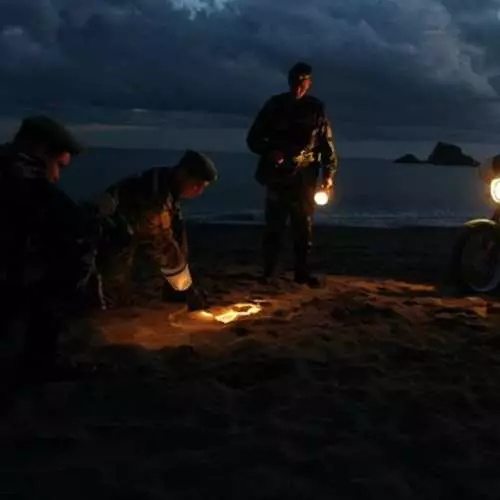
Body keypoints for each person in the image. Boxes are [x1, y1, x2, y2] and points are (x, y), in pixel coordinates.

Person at [0, 115, 94, 388]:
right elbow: (76, 246)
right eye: (59, 165)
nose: (58, 175)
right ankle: (36, 366)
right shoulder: (35, 190)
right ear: (42, 151)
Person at [246, 61, 339, 287]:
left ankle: (301, 272)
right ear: (289, 81)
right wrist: (270, 151)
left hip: (305, 178)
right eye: (295, 81)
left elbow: (326, 146)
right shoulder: (274, 106)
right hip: (278, 176)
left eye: (303, 81)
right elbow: (253, 138)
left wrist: (328, 177)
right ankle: (269, 272)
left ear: (309, 83)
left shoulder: (316, 109)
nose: (298, 86)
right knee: (274, 227)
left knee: (303, 227)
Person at [95, 150, 217, 311]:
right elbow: (161, 243)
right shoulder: (155, 199)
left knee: (177, 234)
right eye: (197, 185)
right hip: (109, 230)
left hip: (126, 226)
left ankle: (174, 290)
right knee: (113, 279)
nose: (199, 192)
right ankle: (101, 308)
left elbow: (174, 236)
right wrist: (188, 289)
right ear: (182, 174)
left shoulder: (164, 181)